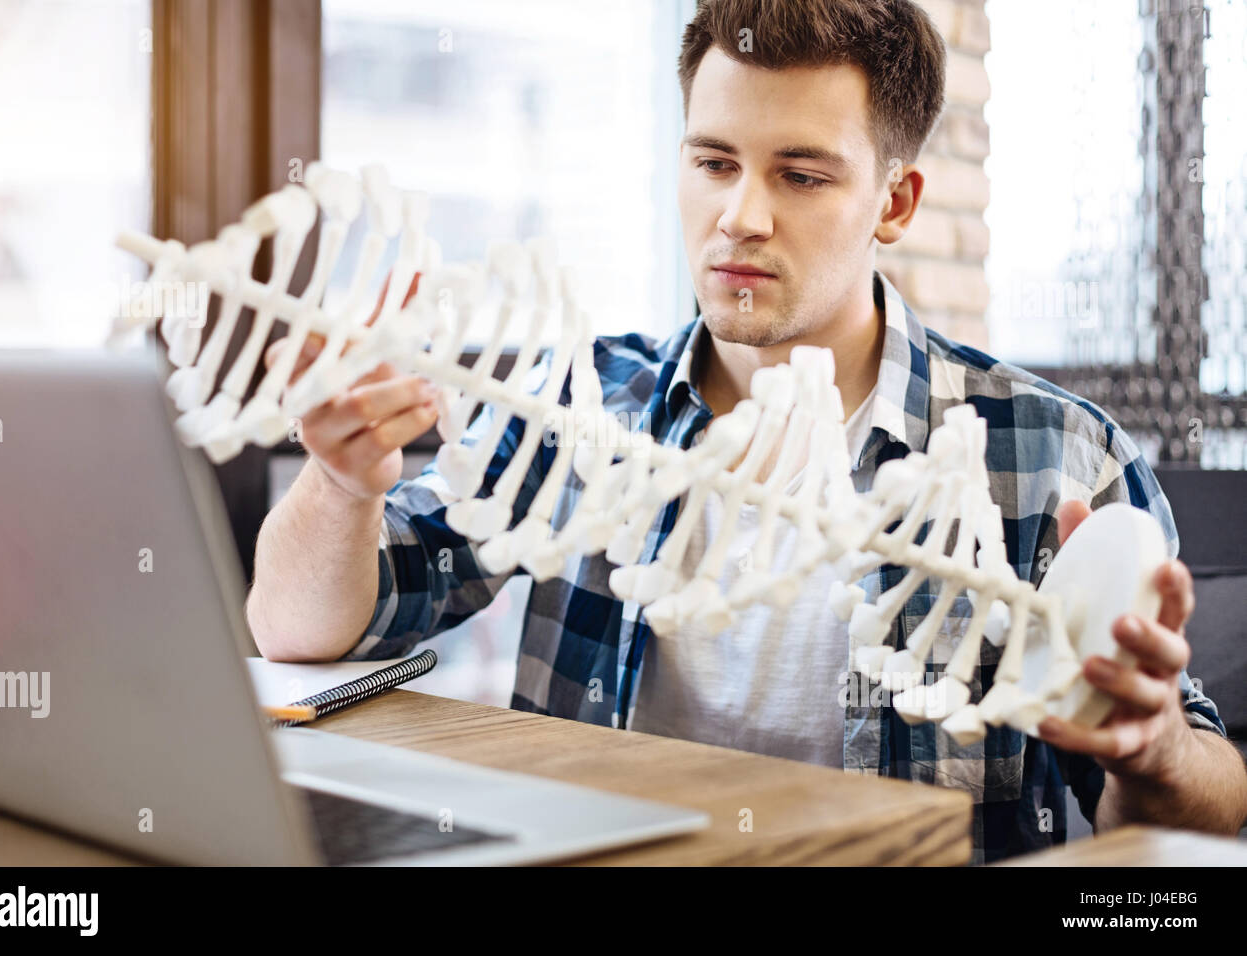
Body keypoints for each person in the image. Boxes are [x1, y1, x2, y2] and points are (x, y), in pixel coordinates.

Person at [245, 0, 1247, 862]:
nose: (739, 217)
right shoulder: (585, 403)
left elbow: (1204, 811)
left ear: (893, 200)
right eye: (714, 161)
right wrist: (340, 485)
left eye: (800, 175)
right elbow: (299, 630)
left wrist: (1151, 744)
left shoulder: (1051, 455)